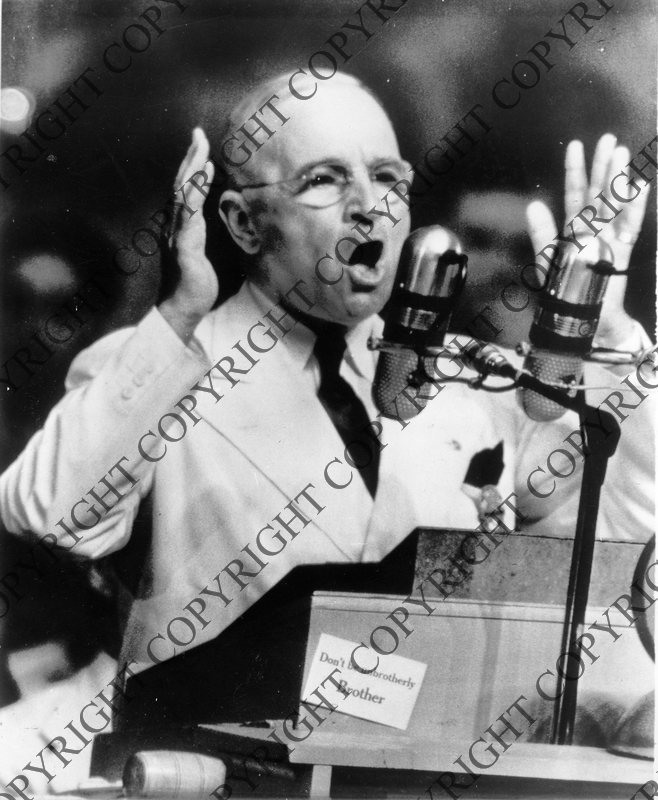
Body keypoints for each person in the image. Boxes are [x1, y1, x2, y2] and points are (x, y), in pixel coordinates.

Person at [0, 72, 654, 731]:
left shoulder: (471, 379)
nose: (370, 207)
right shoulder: (159, 368)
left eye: (389, 180)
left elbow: (619, 545)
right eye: (324, 180)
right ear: (245, 222)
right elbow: (50, 513)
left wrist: (608, 338)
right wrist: (180, 314)